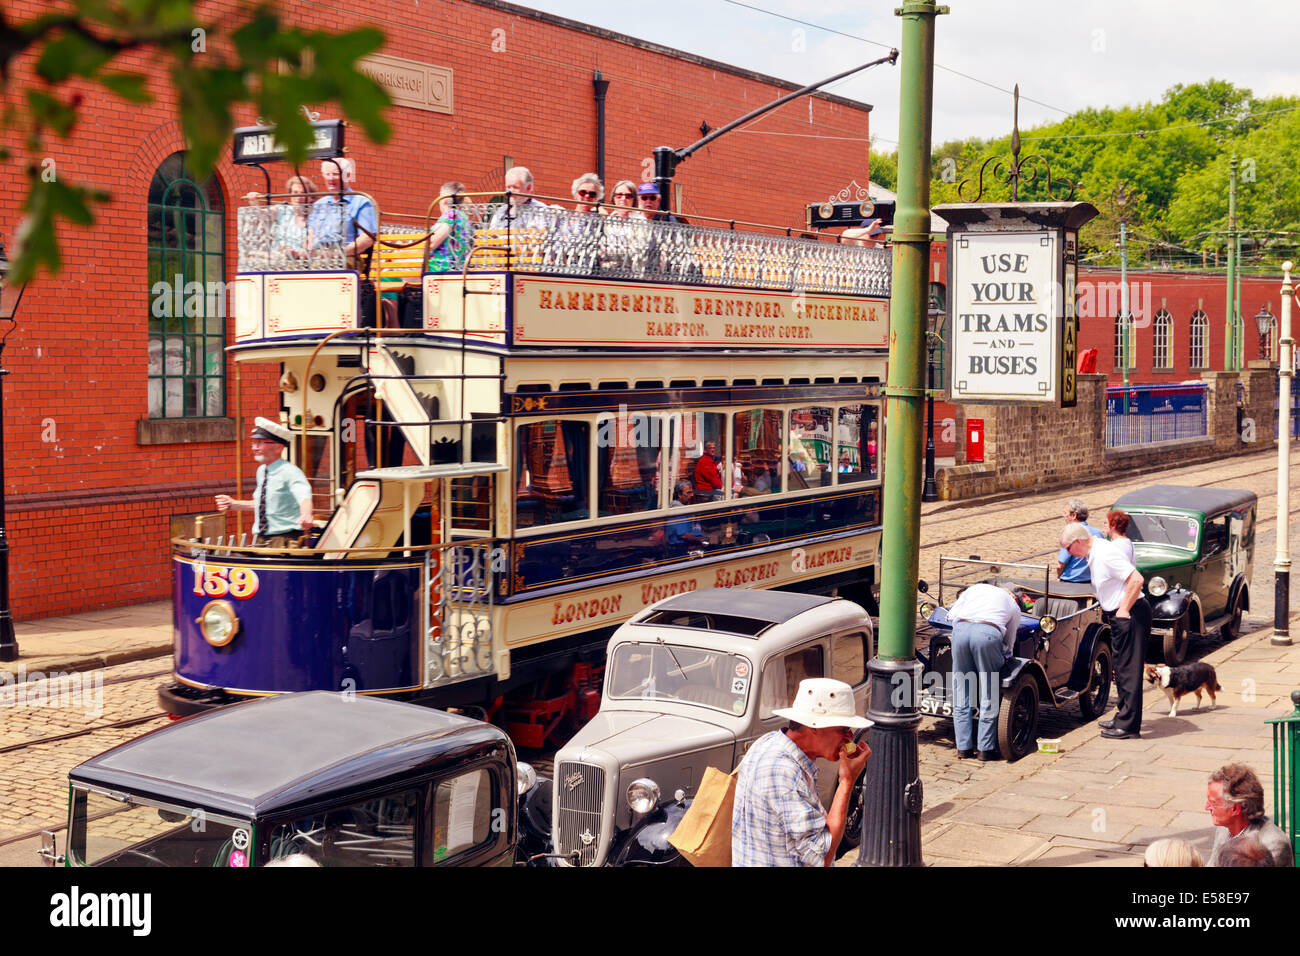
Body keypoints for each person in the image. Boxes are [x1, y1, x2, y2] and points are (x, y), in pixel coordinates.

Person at [732, 677, 872, 866]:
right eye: (843, 729)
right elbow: (823, 857)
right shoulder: (784, 774)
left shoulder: (769, 742)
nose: (849, 737)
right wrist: (847, 781)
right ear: (814, 726)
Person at [1060, 522, 1148, 739]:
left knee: (1129, 670)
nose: (1068, 554)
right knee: (1120, 668)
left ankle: (1128, 726)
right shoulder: (1095, 552)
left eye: (1068, 549)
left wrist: (1124, 610)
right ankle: (1122, 716)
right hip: (1121, 612)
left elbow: (1136, 579)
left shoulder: (1105, 554)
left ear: (1078, 542)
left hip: (1131, 613)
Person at [946, 582, 1020, 761]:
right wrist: (1005, 655)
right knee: (989, 691)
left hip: (961, 630)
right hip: (987, 633)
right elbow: (1010, 640)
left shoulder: (975, 588)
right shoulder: (1013, 605)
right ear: (1013, 595)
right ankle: (985, 749)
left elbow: (951, 615)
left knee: (961, 690)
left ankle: (963, 747)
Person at [215, 418, 314, 547]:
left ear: (278, 447)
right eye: (253, 443)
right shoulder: (262, 471)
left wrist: (306, 514)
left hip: (285, 540)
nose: (254, 448)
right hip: (262, 540)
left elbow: (304, 497)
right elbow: (265, 504)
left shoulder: (291, 472)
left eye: (260, 443)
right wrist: (233, 504)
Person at [1205, 763, 1294, 866]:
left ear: (1235, 808)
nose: (1207, 807)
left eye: (1213, 803)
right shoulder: (1224, 828)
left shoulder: (1270, 844)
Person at [309, 157, 376, 267]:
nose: (331, 178)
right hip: (318, 256)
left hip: (347, 256)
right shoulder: (318, 205)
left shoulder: (361, 202)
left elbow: (367, 239)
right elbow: (310, 235)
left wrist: (337, 253)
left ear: (347, 175)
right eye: (327, 174)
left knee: (323, 267)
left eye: (335, 174)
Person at [426, 181, 474, 273]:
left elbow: (432, 243)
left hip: (439, 269)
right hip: (460, 268)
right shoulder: (464, 218)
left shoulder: (450, 216)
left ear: (443, 200)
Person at [1056, 497, 1104, 581]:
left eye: (1065, 513)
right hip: (1092, 582)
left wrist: (1059, 577)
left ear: (1073, 515)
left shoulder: (1069, 534)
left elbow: (1060, 565)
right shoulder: (1098, 533)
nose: (1063, 515)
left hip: (1070, 583)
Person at [273, 174, 318, 262]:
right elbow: (262, 214)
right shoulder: (283, 210)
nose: (298, 197)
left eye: (302, 193)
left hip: (301, 264)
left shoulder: (314, 217)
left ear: (310, 197)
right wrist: (254, 201)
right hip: (277, 261)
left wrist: (295, 253)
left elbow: (310, 249)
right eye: (295, 193)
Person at [666, 480, 706, 551]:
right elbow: (684, 535)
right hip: (681, 548)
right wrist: (700, 540)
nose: (692, 495)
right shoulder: (677, 510)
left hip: (691, 544)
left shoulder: (685, 506)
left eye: (692, 492)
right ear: (679, 494)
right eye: (688, 493)